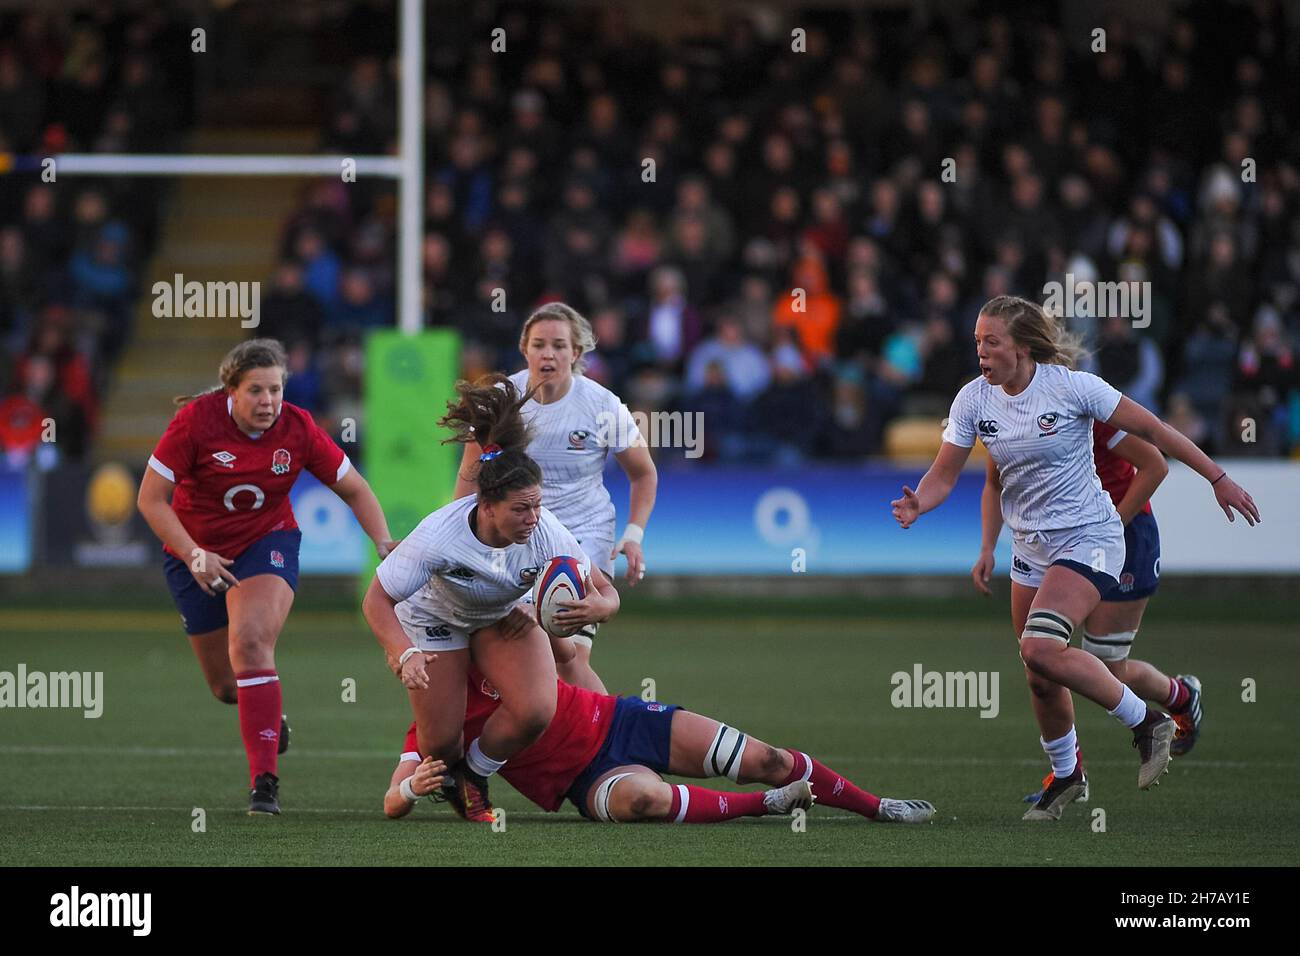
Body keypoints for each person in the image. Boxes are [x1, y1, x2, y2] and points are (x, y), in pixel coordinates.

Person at [891, 295, 1258, 821]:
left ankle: (1147, 722)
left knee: (1044, 647)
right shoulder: (973, 400)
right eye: (977, 342)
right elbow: (946, 474)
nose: (981, 352)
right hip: (1031, 548)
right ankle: (1067, 777)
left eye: (991, 342)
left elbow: (1155, 434)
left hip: (1090, 536)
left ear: (1020, 346)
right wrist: (920, 503)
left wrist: (1217, 478)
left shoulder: (1071, 388)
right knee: (1038, 670)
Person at [136, 338, 395, 815]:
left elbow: (355, 489)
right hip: (193, 553)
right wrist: (195, 554)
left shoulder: (298, 428)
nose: (268, 401)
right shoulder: (196, 422)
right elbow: (151, 499)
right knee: (225, 687)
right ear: (230, 391)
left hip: (266, 542)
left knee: (252, 642)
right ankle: (270, 716)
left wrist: (383, 542)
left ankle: (264, 784)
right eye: (256, 390)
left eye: (275, 389)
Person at [365, 373, 621, 822]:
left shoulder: (545, 530)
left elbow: (606, 591)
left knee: (537, 710)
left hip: (499, 615)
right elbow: (377, 599)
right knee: (441, 745)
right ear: (486, 507)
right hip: (435, 617)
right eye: (521, 509)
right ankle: (434, 771)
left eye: (537, 505)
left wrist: (600, 607)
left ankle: (475, 774)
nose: (533, 517)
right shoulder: (439, 536)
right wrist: (403, 652)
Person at [383, 662, 935, 826]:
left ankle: (875, 807)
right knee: (643, 801)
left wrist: (594, 603)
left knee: (768, 759)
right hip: (584, 780)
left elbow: (569, 628)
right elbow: (391, 803)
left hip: (623, 720)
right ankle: (766, 806)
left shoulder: (497, 644)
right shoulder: (434, 726)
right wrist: (412, 787)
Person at [972, 421, 1204, 808]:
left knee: (1104, 669)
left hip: (1118, 534)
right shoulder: (999, 412)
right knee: (1043, 665)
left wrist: (1113, 525)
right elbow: (994, 483)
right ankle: (1067, 773)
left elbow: (1155, 465)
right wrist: (986, 546)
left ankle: (1178, 695)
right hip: (1048, 544)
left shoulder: (1083, 408)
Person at [453, 302, 657, 694]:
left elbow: (644, 474)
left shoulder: (603, 405)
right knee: (520, 656)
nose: (548, 354)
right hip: (517, 537)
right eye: (539, 344)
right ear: (524, 349)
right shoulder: (501, 400)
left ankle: (602, 739)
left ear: (576, 353)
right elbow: (469, 477)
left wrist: (633, 534)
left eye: (559, 346)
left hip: (583, 536)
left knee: (571, 658)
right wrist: (458, 539)